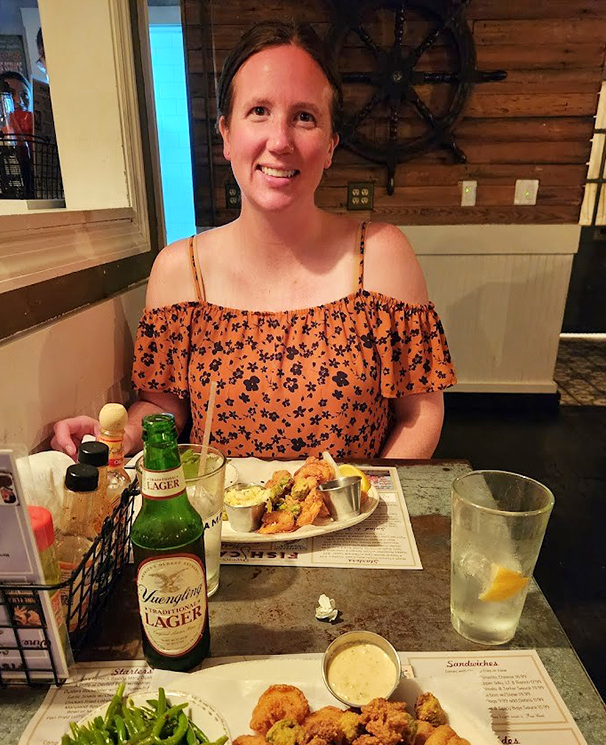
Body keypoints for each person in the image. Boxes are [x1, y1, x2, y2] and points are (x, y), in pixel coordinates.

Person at [52, 21, 455, 461]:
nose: (280, 141)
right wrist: (119, 437)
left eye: (305, 117)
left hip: (352, 520)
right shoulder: (177, 269)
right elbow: (163, 406)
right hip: (221, 523)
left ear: (331, 145)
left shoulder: (381, 255)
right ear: (226, 134)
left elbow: (420, 414)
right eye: (259, 111)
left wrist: (366, 498)